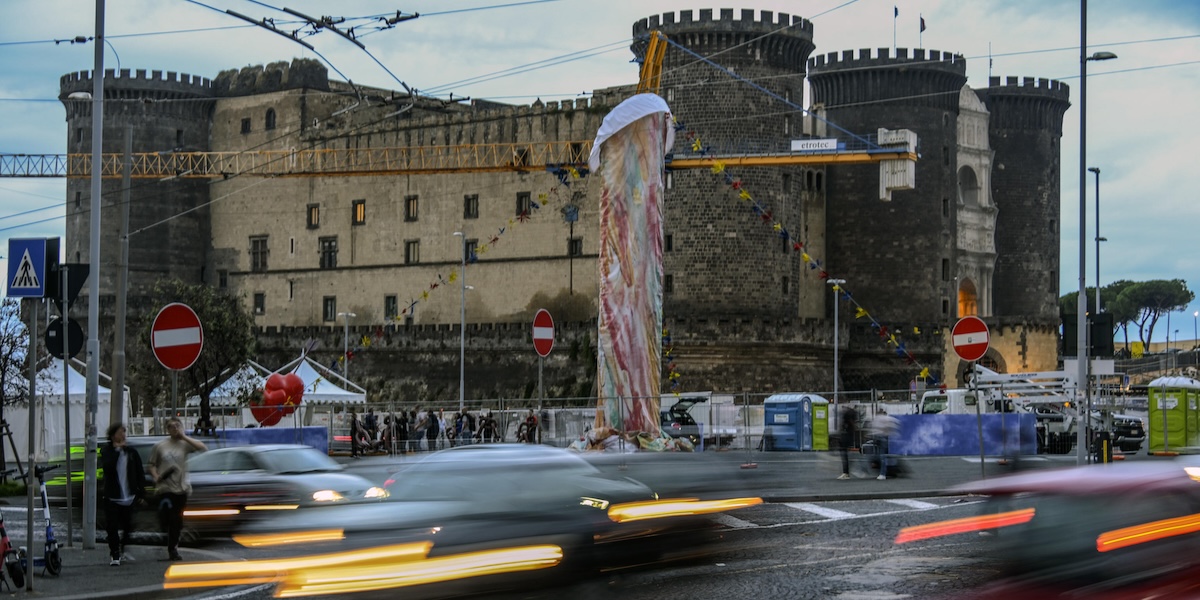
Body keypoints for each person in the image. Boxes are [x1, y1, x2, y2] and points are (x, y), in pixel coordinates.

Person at [148, 417, 207, 561]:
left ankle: (173, 549)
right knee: (166, 517)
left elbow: (202, 448)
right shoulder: (160, 446)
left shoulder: (184, 444)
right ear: (167, 429)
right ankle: (167, 538)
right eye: (171, 426)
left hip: (181, 488)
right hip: (165, 487)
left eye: (177, 425)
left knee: (177, 520)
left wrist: (184, 436)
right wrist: (156, 476)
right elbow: (151, 464)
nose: (174, 428)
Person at [101, 422, 145, 566]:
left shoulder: (131, 452)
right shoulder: (107, 451)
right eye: (120, 432)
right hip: (112, 497)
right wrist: (117, 450)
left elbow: (139, 472)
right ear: (113, 435)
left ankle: (123, 548)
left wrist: (141, 493)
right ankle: (114, 554)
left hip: (129, 496)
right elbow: (107, 467)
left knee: (128, 526)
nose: (123, 435)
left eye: (124, 432)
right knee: (112, 527)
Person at [871, 409, 901, 480]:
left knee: (881, 456)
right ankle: (888, 472)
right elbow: (896, 423)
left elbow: (875, 428)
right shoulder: (888, 419)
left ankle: (883, 473)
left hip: (880, 437)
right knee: (884, 456)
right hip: (885, 437)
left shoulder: (879, 419)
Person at [837, 406, 859, 480]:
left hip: (845, 437)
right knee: (848, 455)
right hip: (849, 436)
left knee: (844, 455)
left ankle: (846, 472)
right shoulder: (851, 425)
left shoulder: (847, 423)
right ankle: (847, 472)